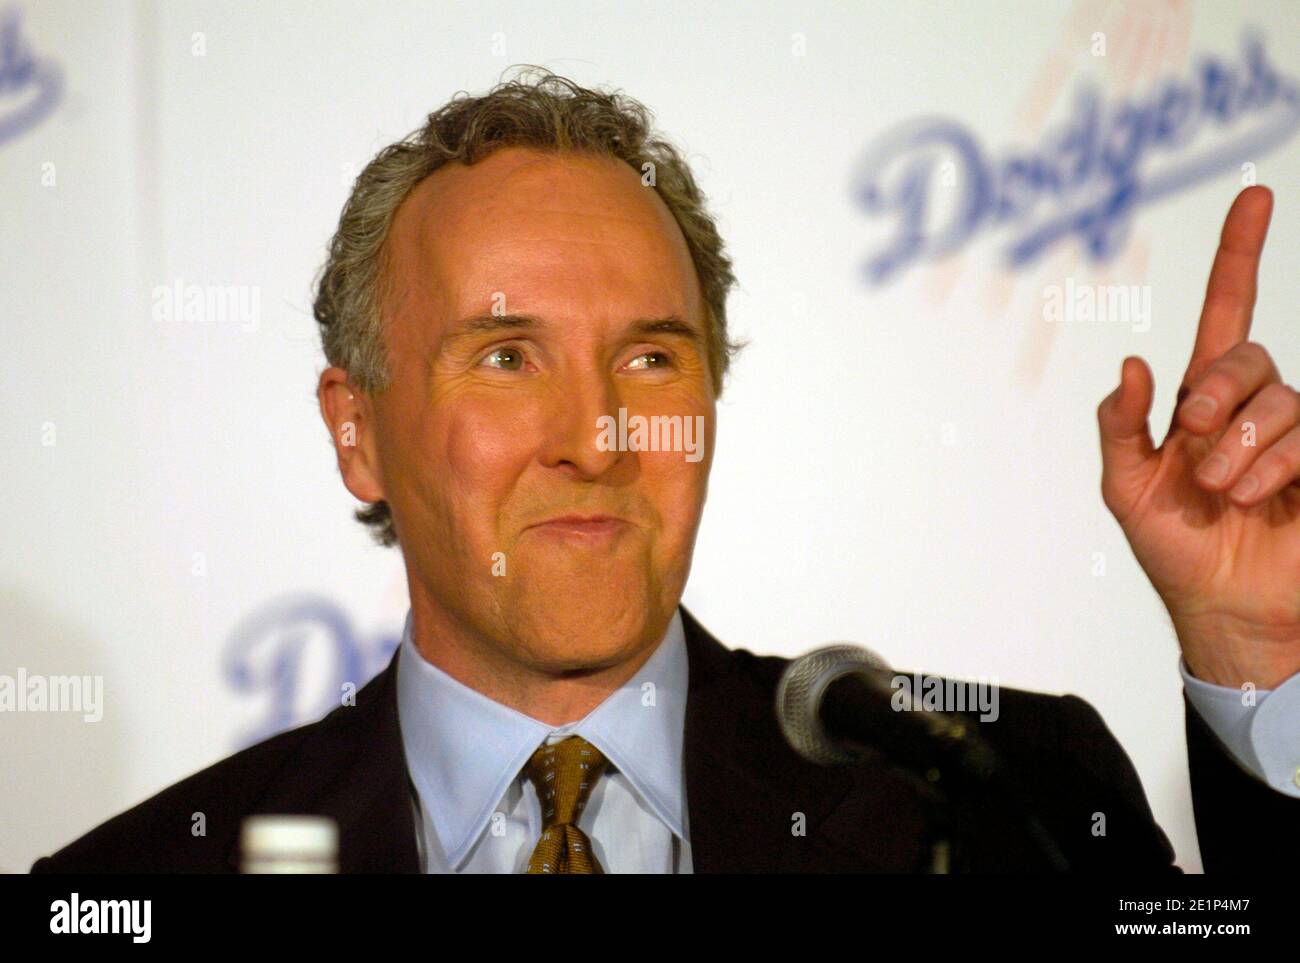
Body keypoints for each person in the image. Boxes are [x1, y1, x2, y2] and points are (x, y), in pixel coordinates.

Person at [32, 69, 1300, 874]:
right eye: (507, 356)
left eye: (648, 359)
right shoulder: (137, 886)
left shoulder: (997, 789)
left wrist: (1259, 661)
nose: (596, 437)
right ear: (357, 430)